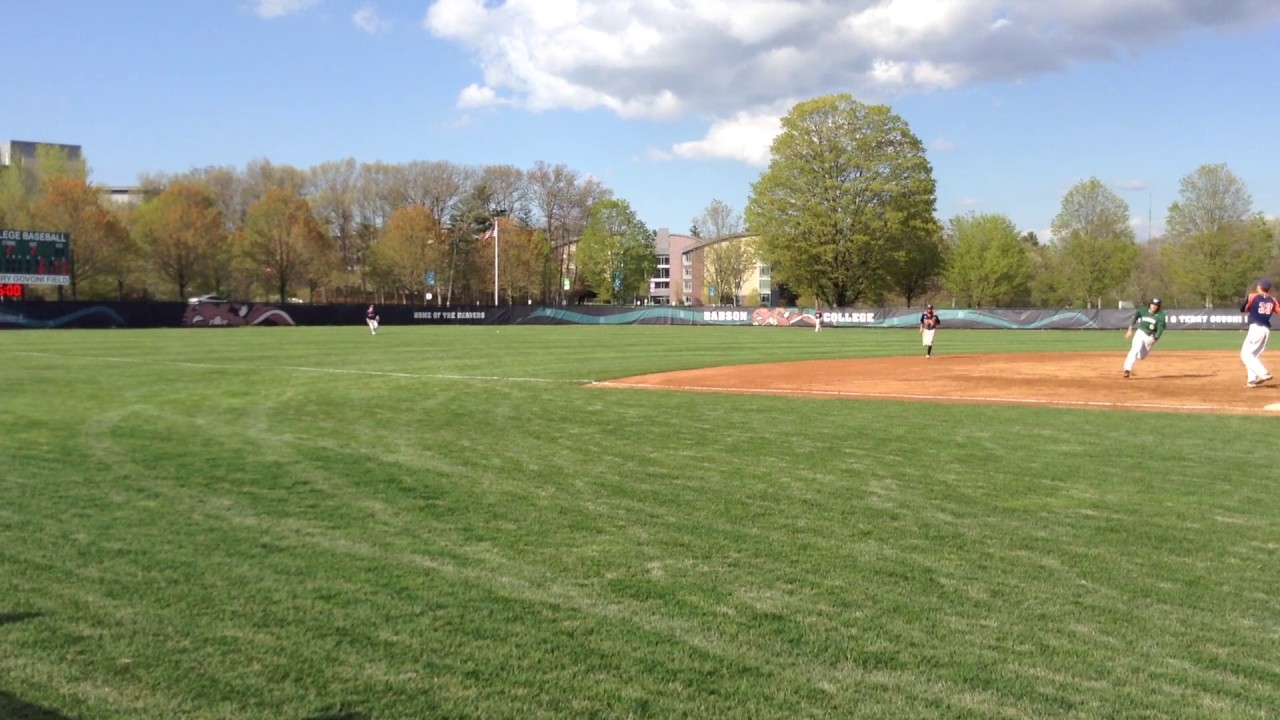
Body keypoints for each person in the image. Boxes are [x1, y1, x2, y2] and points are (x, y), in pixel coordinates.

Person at [1240, 279, 1277, 387]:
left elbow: (1243, 309)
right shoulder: (1273, 300)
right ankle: (1252, 380)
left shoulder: (1252, 296)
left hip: (1256, 328)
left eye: (1258, 285)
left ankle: (1264, 373)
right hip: (1266, 330)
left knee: (1245, 355)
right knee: (1253, 355)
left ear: (1260, 287)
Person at [1122, 297, 1166, 378]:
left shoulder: (1161, 315)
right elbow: (1136, 316)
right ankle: (1127, 369)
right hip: (1140, 333)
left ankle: (1133, 360)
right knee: (1134, 350)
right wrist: (1130, 328)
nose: (1154, 306)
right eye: (1153, 304)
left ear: (1159, 306)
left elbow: (1160, 329)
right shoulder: (1143, 311)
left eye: (1156, 305)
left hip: (1150, 338)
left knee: (1141, 356)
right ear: (1150, 304)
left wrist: (1155, 338)